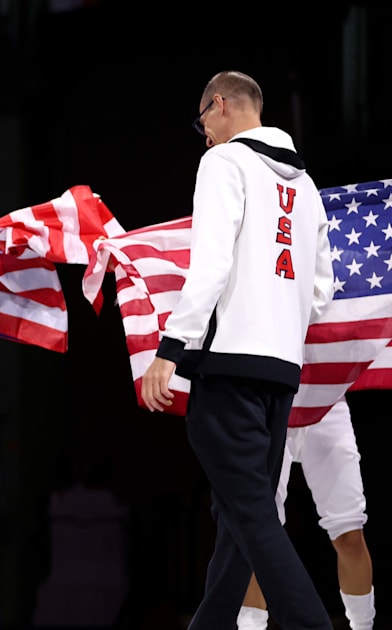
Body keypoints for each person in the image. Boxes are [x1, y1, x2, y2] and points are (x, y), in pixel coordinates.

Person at [140, 70, 335, 629]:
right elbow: (320, 292)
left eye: (202, 121)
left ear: (219, 105)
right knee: (237, 523)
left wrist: (170, 349)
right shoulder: (307, 187)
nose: (203, 135)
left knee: (252, 518)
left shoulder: (223, 162)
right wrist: (275, 316)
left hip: (228, 369)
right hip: (281, 372)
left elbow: (211, 265)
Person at [237, 398, 375, 630]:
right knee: (255, 533)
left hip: (326, 403)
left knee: (350, 534)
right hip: (270, 401)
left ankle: (363, 626)